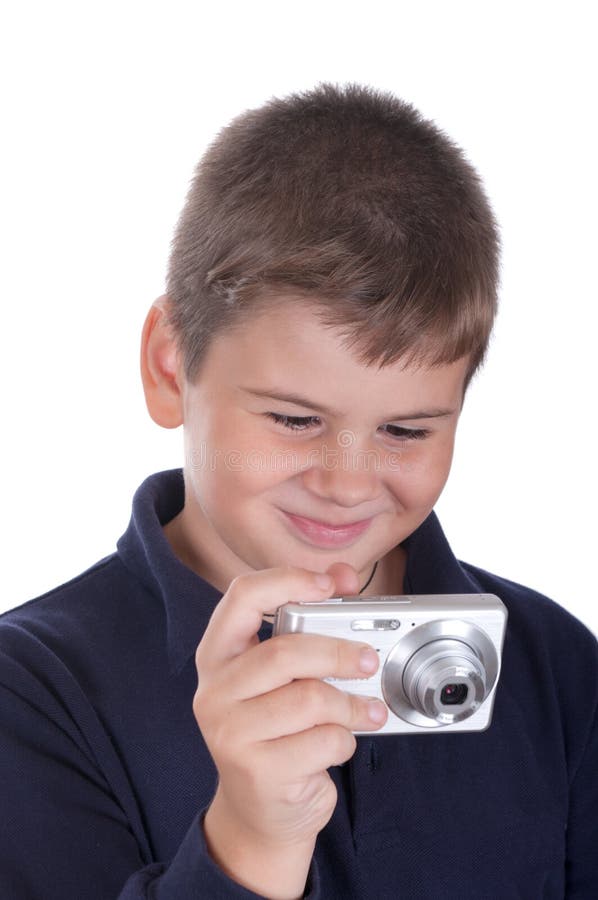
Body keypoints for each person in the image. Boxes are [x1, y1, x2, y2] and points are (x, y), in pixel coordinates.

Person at [1, 83, 596, 900]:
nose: (347, 485)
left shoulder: (556, 670)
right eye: (293, 419)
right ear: (171, 365)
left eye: (408, 431)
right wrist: (249, 841)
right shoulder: (31, 693)